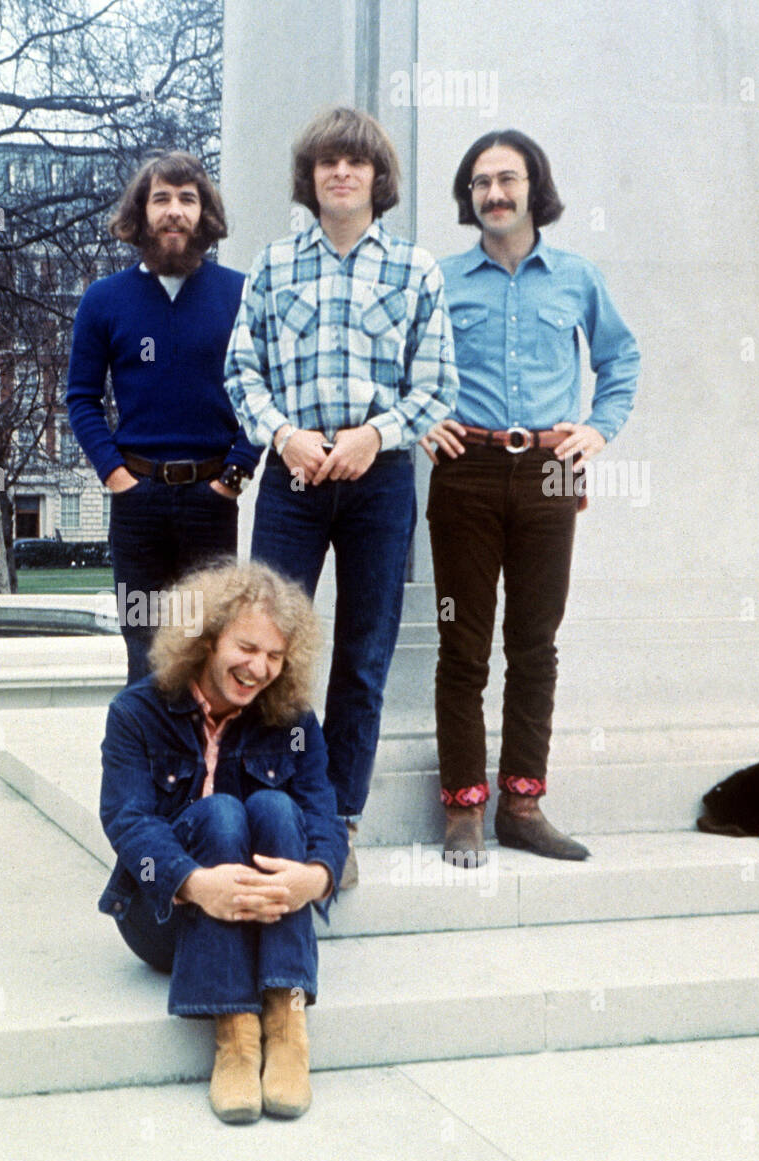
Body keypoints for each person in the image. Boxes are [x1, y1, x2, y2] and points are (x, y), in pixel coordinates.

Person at [225, 106, 458, 882]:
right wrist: (283, 434)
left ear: (377, 178)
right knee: (266, 645)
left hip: (377, 480)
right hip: (294, 475)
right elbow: (240, 370)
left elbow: (436, 387)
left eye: (355, 163)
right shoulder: (273, 264)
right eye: (326, 162)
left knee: (362, 653)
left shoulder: (415, 270)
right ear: (311, 177)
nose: (340, 173)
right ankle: (269, 805)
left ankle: (340, 823)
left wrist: (374, 435)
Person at [420, 129, 640, 865]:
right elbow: (398, 364)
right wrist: (422, 420)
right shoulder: (441, 280)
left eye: (507, 179)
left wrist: (598, 431)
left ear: (533, 188)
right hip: (468, 472)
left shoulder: (575, 277)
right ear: (469, 196)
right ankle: (462, 808)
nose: (494, 194)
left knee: (535, 645)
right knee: (463, 644)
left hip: (550, 471)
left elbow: (621, 358)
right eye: (480, 182)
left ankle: (522, 800)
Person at [98, 560, 347, 1124]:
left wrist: (316, 878)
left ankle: (285, 1025)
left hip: (266, 911)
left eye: (275, 656)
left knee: (277, 807)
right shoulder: (136, 714)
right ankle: (235, 1034)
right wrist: (195, 883)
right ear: (207, 639)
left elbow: (323, 815)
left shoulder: (295, 722)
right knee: (221, 816)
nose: (259, 668)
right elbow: (127, 820)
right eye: (247, 647)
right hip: (164, 919)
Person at [67, 152, 262, 684]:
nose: (174, 211)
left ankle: (206, 766)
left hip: (211, 499)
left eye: (187, 199)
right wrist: (116, 477)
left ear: (205, 215)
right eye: (161, 199)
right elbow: (81, 398)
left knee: (206, 649)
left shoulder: (242, 294)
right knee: (145, 651)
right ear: (141, 212)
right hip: (138, 502)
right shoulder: (104, 300)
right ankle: (148, 766)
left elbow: (263, 394)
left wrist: (234, 476)